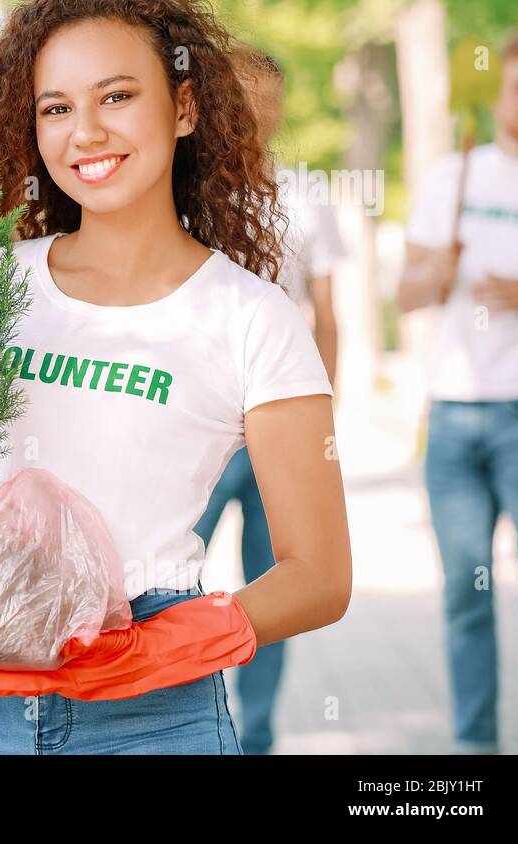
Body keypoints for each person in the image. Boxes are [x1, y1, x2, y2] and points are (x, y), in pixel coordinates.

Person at [0, 0, 352, 754]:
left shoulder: (253, 319)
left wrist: (159, 650)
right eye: (56, 108)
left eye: (116, 97)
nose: (84, 132)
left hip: (153, 714)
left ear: (185, 107)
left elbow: (320, 576)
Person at [191, 46, 346, 755]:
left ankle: (254, 737)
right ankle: (182, 716)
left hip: (280, 432)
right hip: (205, 428)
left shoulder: (306, 194)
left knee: (278, 589)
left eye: (274, 100)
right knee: (167, 573)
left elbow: (326, 313)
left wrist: (324, 421)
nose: (264, 113)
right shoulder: (188, 193)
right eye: (250, 98)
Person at [395, 29, 518, 754]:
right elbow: (407, 295)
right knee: (465, 596)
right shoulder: (456, 177)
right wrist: (435, 274)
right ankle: (476, 751)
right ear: (503, 90)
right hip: (453, 417)